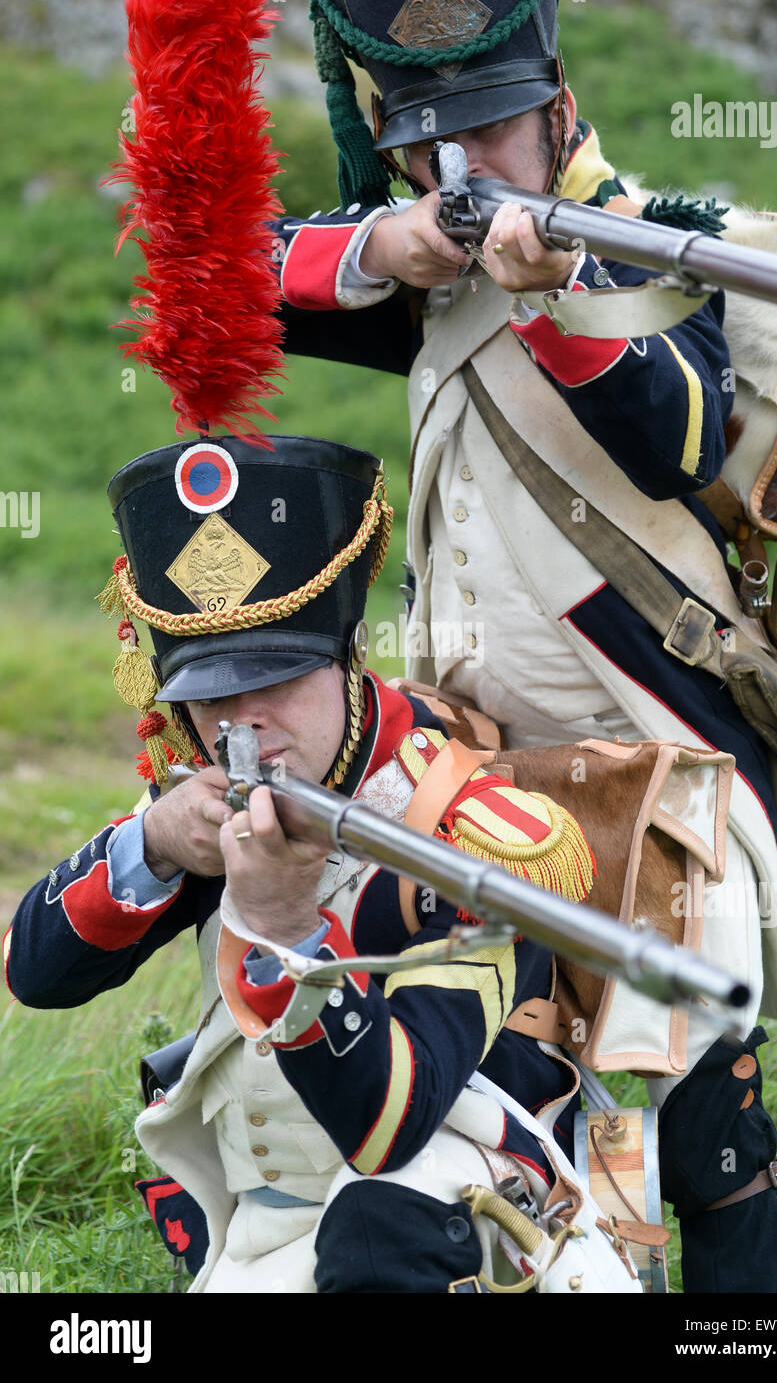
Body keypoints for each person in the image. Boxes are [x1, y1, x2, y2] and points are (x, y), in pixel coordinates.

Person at [265, 0, 777, 1291]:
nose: (458, 164)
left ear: (557, 107)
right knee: (509, 1099)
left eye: (491, 129)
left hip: (655, 766)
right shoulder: (426, 263)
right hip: (473, 772)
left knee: (694, 1119)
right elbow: (221, 280)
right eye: (424, 142)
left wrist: (557, 293)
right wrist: (384, 241)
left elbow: (683, 435)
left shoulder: (658, 240)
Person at [5, 433, 641, 1294]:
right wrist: (155, 843)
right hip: (264, 1225)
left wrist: (283, 927)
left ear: (349, 658)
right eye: (208, 695)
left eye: (275, 680)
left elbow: (388, 1130)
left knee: (380, 1224)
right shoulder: (208, 798)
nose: (241, 723)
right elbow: (35, 973)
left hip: (455, 1212)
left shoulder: (477, 834)